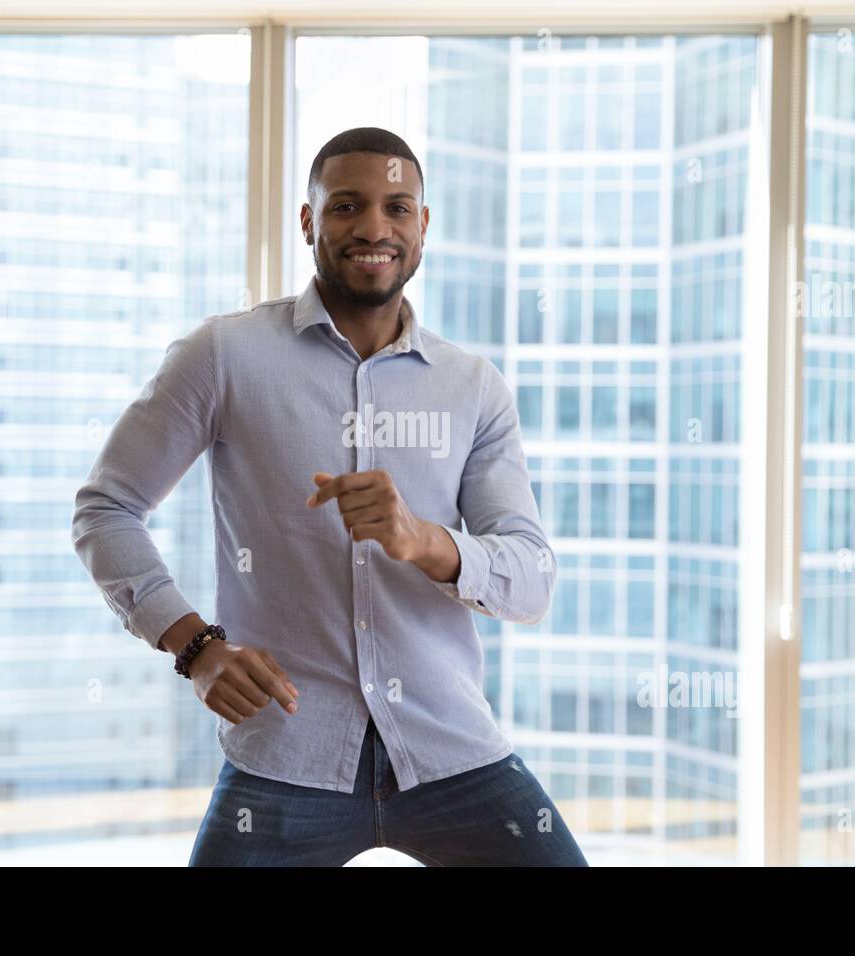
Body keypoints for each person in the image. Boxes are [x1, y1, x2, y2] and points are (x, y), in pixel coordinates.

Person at [72, 126, 587, 866]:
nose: (373, 228)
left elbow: (532, 579)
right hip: (286, 755)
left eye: (396, 207)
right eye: (346, 207)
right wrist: (195, 647)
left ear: (422, 224)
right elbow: (106, 507)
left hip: (450, 749)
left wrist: (424, 540)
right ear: (309, 220)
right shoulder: (224, 355)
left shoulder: (474, 388)